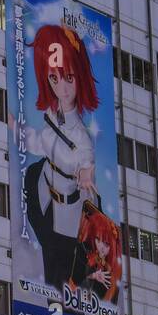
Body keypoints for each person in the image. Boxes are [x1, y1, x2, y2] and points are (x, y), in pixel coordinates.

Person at [22, 23, 100, 291]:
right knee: (51, 273)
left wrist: (87, 171)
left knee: (64, 282)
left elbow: (86, 156)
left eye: (68, 77)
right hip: (44, 206)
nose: (62, 87)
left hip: (69, 215)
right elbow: (36, 142)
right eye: (54, 79)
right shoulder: (50, 119)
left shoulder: (80, 133)